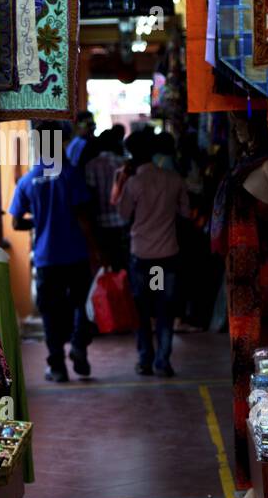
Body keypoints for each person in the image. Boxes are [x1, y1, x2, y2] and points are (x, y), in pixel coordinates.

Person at [211, 113, 268, 498]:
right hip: (239, 286)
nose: (238, 130)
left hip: (260, 281)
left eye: (242, 123)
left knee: (259, 375)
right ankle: (249, 474)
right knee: (244, 372)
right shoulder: (247, 166)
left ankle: (261, 473)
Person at [10, 121, 98, 383]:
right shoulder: (71, 174)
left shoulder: (29, 179)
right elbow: (83, 217)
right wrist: (95, 249)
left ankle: (57, 366)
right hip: (75, 254)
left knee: (50, 312)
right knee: (81, 303)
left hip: (47, 257)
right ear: (59, 143)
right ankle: (79, 346)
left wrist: (39, 221)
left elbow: (15, 221)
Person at [113, 128, 190, 377]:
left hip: (142, 257)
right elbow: (186, 213)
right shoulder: (173, 179)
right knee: (164, 309)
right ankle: (162, 360)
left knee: (143, 310)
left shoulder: (134, 183)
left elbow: (123, 215)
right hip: (165, 258)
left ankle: (145, 359)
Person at [84, 128, 129, 271]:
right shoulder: (124, 164)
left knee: (106, 264)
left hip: (101, 224)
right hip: (123, 221)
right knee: (123, 264)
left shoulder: (91, 165)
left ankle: (110, 291)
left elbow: (90, 197)